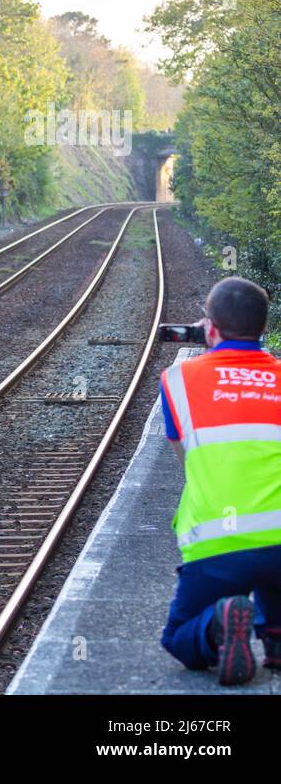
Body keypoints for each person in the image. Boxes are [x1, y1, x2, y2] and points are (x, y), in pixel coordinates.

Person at [159, 276, 281, 685]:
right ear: (264, 329)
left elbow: (187, 462)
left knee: (178, 636)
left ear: (209, 327)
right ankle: (276, 637)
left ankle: (217, 625)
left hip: (218, 542)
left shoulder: (178, 381)